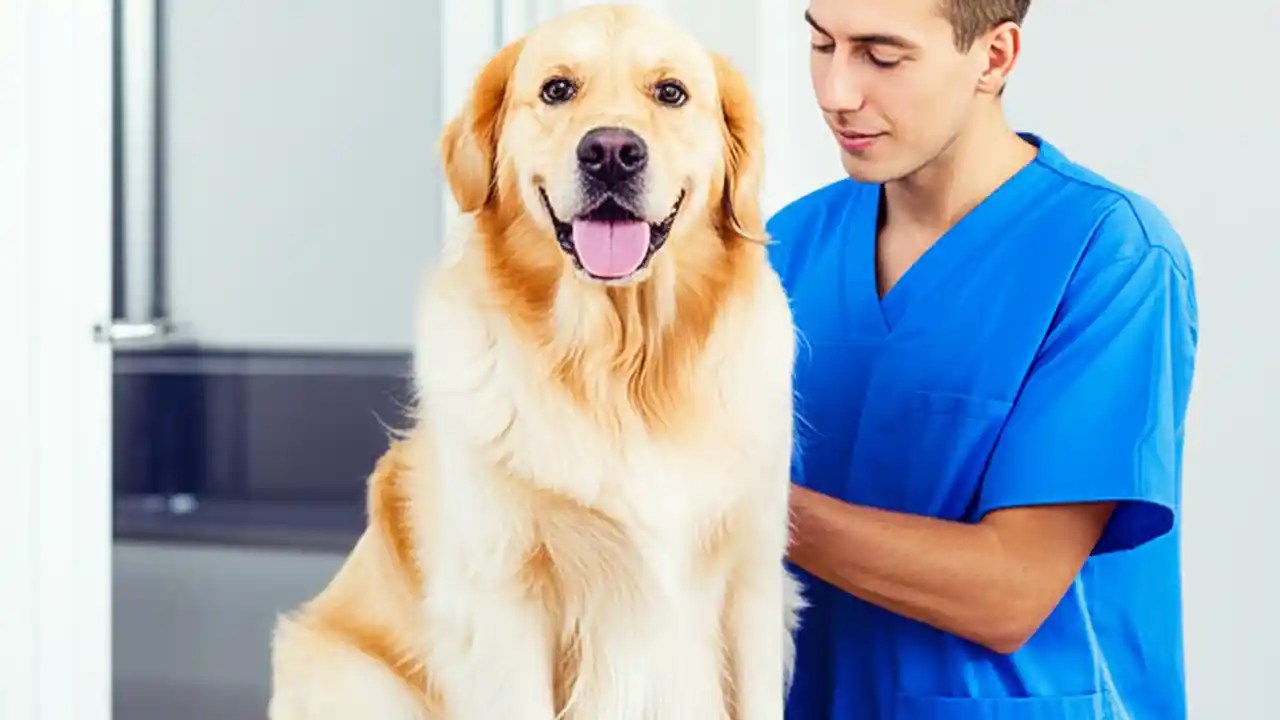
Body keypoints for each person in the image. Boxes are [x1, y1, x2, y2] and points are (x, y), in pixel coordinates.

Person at [765, 1, 1199, 718]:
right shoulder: (785, 246)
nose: (837, 92)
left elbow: (1011, 590)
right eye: (821, 45)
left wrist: (734, 503)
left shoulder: (1109, 254)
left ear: (994, 58)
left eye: (882, 56)